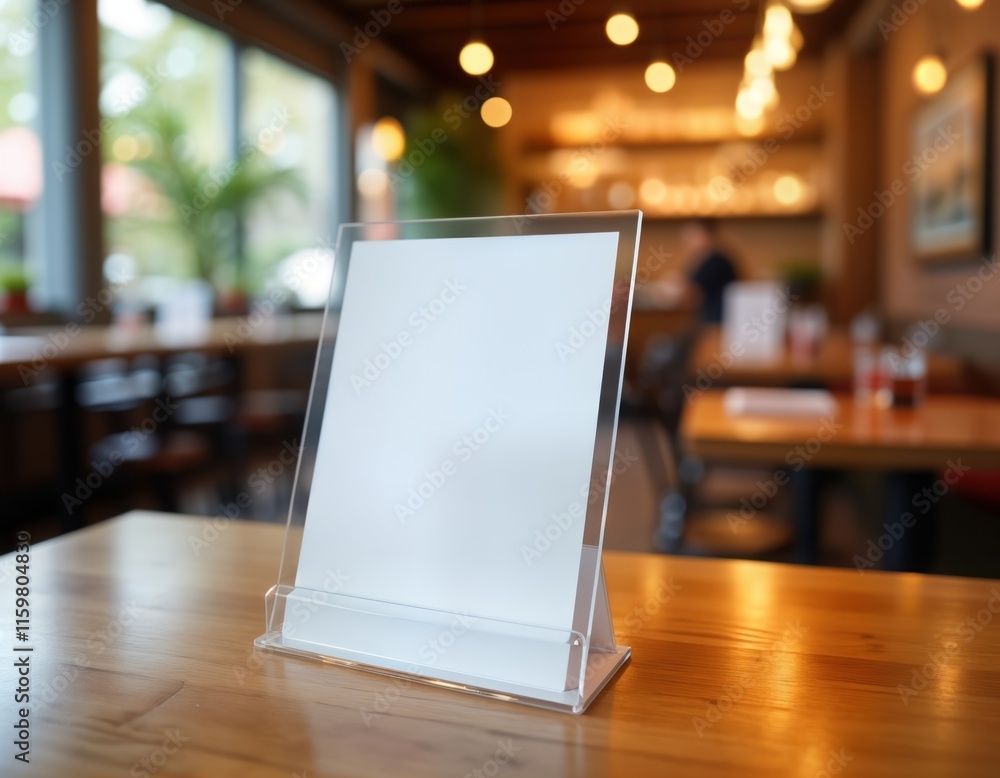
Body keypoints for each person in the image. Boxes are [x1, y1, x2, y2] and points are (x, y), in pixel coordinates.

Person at [681, 218, 738, 323]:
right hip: (711, 318)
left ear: (707, 235)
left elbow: (692, 293)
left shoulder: (716, 261)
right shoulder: (706, 259)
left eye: (693, 235)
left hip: (718, 322)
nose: (688, 241)